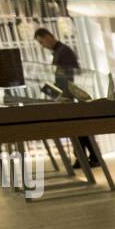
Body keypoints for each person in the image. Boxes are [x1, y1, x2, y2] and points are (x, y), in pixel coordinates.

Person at [35, 27, 100, 168]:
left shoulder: (63, 51)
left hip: (70, 95)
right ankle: (87, 157)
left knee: (78, 129)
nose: (42, 45)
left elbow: (69, 75)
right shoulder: (60, 51)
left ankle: (88, 157)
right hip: (69, 95)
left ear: (48, 36)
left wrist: (57, 92)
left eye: (42, 42)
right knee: (78, 129)